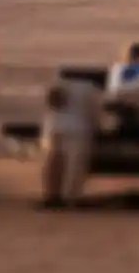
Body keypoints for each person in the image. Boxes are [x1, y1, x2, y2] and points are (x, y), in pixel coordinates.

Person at [39, 77, 100, 208]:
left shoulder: (58, 82)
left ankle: (52, 195)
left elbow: (51, 102)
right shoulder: (90, 88)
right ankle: (71, 196)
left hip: (55, 127)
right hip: (78, 128)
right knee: (75, 165)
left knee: (54, 160)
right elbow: (95, 111)